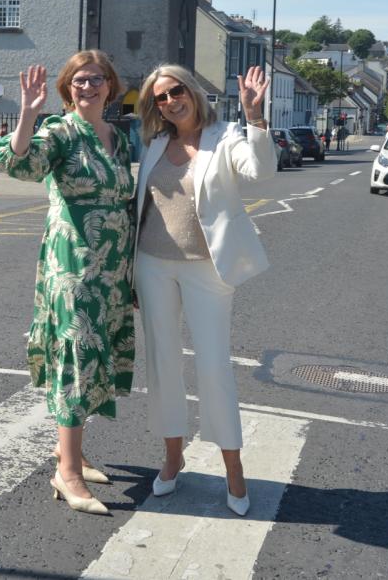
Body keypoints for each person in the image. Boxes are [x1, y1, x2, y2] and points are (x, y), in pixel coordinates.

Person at [0, 50, 135, 516]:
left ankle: (69, 451)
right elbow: (20, 165)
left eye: (96, 79)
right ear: (67, 88)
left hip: (112, 270)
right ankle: (68, 474)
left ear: (110, 86)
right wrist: (27, 116)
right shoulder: (60, 131)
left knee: (96, 359)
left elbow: (129, 206)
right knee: (77, 356)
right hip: (73, 267)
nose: (88, 86)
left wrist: (130, 274)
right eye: (79, 80)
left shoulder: (119, 136)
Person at [133, 63, 275, 518]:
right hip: (153, 266)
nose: (171, 100)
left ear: (193, 91)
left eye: (177, 90)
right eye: (160, 97)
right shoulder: (156, 144)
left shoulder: (226, 137)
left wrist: (255, 118)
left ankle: (233, 466)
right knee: (163, 364)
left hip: (206, 269)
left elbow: (261, 173)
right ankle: (173, 456)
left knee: (214, 367)